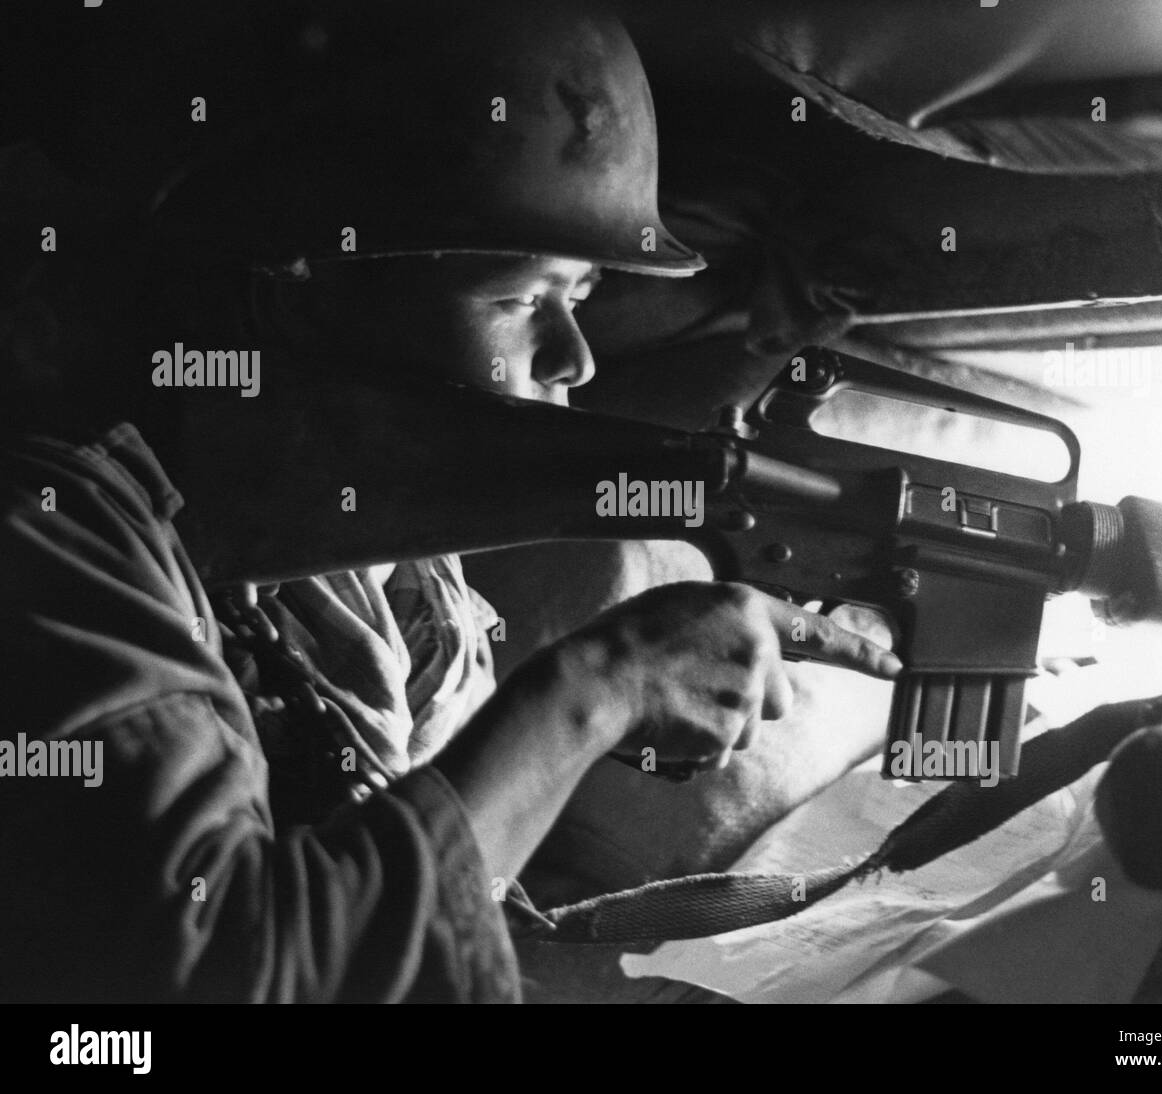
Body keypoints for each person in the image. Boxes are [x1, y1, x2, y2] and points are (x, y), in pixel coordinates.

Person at [0, 0, 899, 1002]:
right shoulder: (53, 533)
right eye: (521, 299)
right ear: (304, 287)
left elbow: (441, 903)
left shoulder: (385, 574)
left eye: (584, 298)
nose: (576, 356)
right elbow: (226, 967)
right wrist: (601, 684)